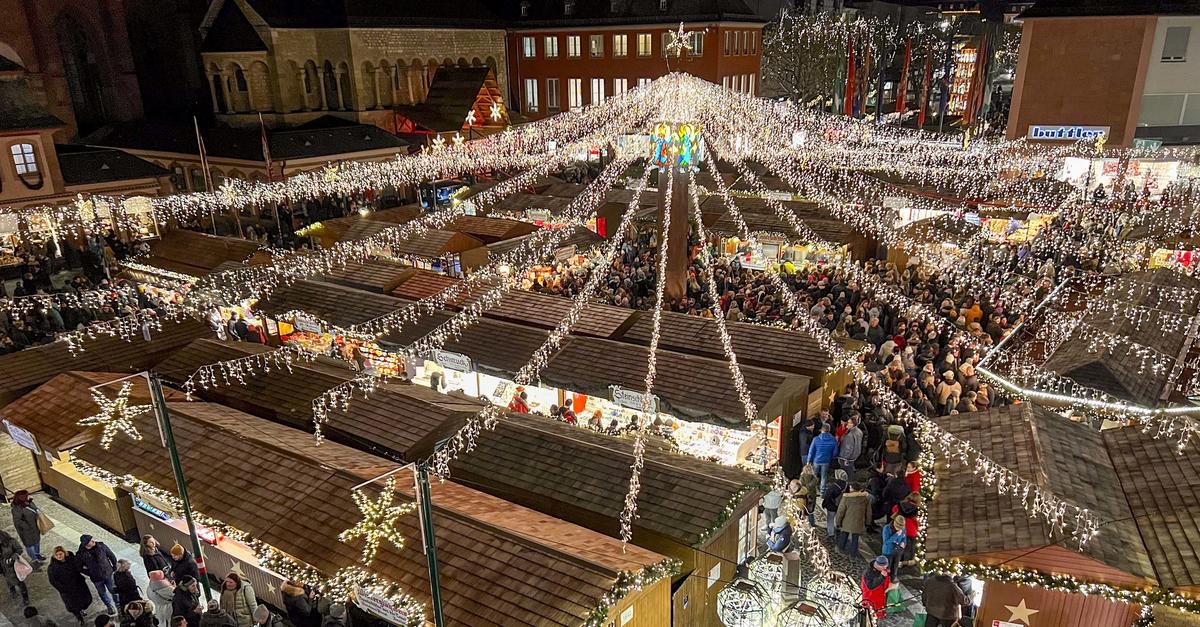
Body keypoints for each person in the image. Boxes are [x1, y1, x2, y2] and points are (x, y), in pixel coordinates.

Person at [48, 546, 92, 625]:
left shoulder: (71, 559)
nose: (59, 556)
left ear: (64, 553)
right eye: (57, 555)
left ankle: (81, 609)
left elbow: (79, 566)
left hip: (79, 585)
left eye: (60, 554)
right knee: (73, 606)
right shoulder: (52, 567)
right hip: (67, 590)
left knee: (85, 600)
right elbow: (53, 581)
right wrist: (63, 589)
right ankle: (79, 618)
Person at [78, 535, 118, 614]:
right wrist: (90, 573)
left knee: (113, 590)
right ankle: (109, 606)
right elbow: (79, 567)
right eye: (88, 543)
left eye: (90, 541)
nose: (92, 542)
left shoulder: (101, 546)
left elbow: (111, 555)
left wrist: (114, 566)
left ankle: (118, 604)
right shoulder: (82, 553)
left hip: (108, 574)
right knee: (102, 593)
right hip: (96, 578)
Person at [834, 481, 870, 557]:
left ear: (853, 489)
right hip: (859, 522)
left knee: (844, 535)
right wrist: (868, 522)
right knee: (855, 539)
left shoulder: (846, 498)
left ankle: (840, 549)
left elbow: (840, 511)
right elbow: (868, 512)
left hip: (846, 522)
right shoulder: (865, 498)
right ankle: (853, 554)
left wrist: (838, 522)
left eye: (850, 487)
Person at [11, 490, 45, 564]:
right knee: (29, 545)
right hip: (26, 531)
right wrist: (28, 526)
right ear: (22, 498)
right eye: (27, 495)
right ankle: (34, 559)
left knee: (37, 542)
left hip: (35, 527)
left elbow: (35, 508)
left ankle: (37, 554)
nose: (29, 495)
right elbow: (18, 521)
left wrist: (31, 503)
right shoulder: (16, 509)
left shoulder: (29, 502)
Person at [1, 529, 31, 605]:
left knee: (20, 582)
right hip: (3, 567)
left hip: (13, 566)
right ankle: (12, 590)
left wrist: (14, 556)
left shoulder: (11, 541)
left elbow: (19, 549)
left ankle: (25, 598)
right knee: (8, 580)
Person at [806, 424, 838, 494]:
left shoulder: (816, 439)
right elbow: (835, 452)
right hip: (826, 461)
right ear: (829, 430)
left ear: (821, 430)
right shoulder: (833, 440)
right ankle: (822, 492)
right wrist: (831, 457)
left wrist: (808, 460)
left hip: (816, 460)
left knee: (814, 476)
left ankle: (812, 491)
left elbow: (811, 451)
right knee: (824, 476)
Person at [860, 556, 891, 620]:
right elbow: (871, 586)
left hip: (879, 598)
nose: (886, 568)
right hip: (870, 599)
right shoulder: (868, 573)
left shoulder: (881, 570)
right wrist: (882, 577)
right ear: (879, 566)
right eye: (884, 566)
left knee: (878, 613)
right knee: (869, 617)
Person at [820, 469, 848, 538]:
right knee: (839, 517)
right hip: (841, 505)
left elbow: (828, 497)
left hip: (832, 506)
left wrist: (824, 504)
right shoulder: (846, 485)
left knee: (830, 520)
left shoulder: (833, 486)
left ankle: (831, 533)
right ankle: (838, 528)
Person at [882, 514, 907, 581]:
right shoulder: (887, 528)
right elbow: (886, 542)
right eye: (898, 528)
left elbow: (904, 538)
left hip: (897, 551)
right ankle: (885, 582)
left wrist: (903, 543)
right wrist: (896, 535)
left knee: (895, 568)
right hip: (888, 552)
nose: (899, 529)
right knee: (887, 569)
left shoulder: (903, 529)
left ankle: (892, 581)